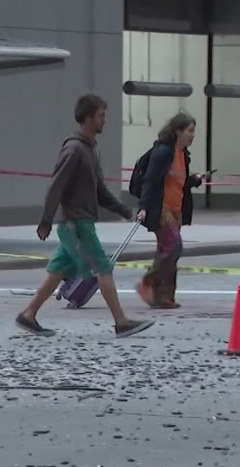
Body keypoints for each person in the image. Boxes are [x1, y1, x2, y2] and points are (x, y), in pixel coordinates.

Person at [15, 93, 156, 338]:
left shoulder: (90, 149)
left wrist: (125, 211)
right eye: (101, 115)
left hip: (78, 223)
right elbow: (56, 186)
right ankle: (121, 321)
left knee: (58, 269)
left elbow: (99, 190)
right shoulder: (74, 149)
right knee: (103, 267)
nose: (104, 120)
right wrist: (46, 220)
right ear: (88, 118)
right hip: (76, 224)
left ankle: (28, 314)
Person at [134, 112, 210, 309]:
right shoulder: (164, 152)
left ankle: (165, 296)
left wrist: (196, 180)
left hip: (176, 208)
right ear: (178, 131)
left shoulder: (183, 155)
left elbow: (180, 181)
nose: (193, 135)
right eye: (190, 131)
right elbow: (150, 180)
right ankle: (147, 282)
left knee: (168, 251)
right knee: (174, 246)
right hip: (162, 208)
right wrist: (143, 207)